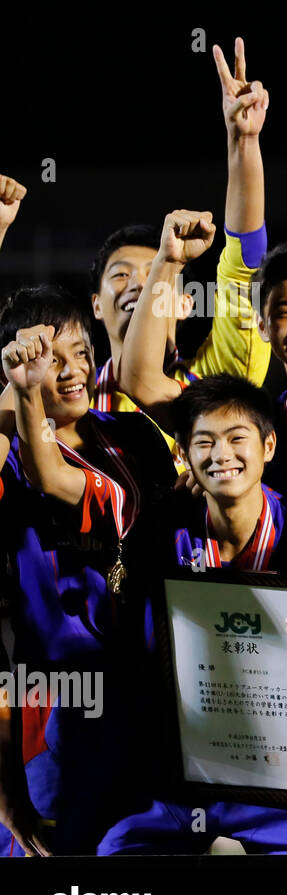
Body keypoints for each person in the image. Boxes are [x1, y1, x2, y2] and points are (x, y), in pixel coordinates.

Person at [97, 374, 287, 853]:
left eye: (238, 439)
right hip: (181, 782)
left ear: (269, 445)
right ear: (183, 455)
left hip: (283, 790)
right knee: (117, 850)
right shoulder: (160, 534)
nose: (222, 456)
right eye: (204, 442)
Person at [0, 291, 177, 855]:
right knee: (60, 855)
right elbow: (46, 473)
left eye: (80, 353)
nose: (73, 371)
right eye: (52, 360)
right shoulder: (10, 454)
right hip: (57, 699)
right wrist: (22, 396)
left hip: (150, 689)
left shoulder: (133, 436)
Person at [100, 38, 272, 452]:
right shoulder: (64, 392)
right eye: (121, 274)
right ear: (94, 303)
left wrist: (244, 142)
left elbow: (244, 264)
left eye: (156, 277)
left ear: (186, 303)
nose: (140, 285)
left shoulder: (217, 383)